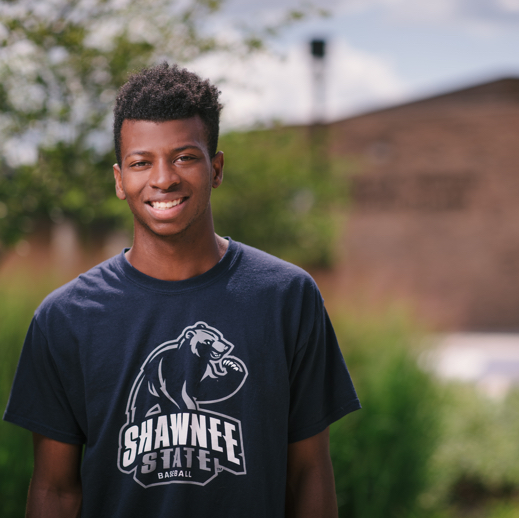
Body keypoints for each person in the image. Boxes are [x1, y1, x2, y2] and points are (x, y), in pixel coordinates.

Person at [3, 63, 360, 518]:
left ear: (216, 168)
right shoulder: (66, 317)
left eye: (185, 157)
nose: (163, 178)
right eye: (140, 162)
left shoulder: (286, 297)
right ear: (119, 179)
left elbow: (308, 472)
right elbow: (55, 490)